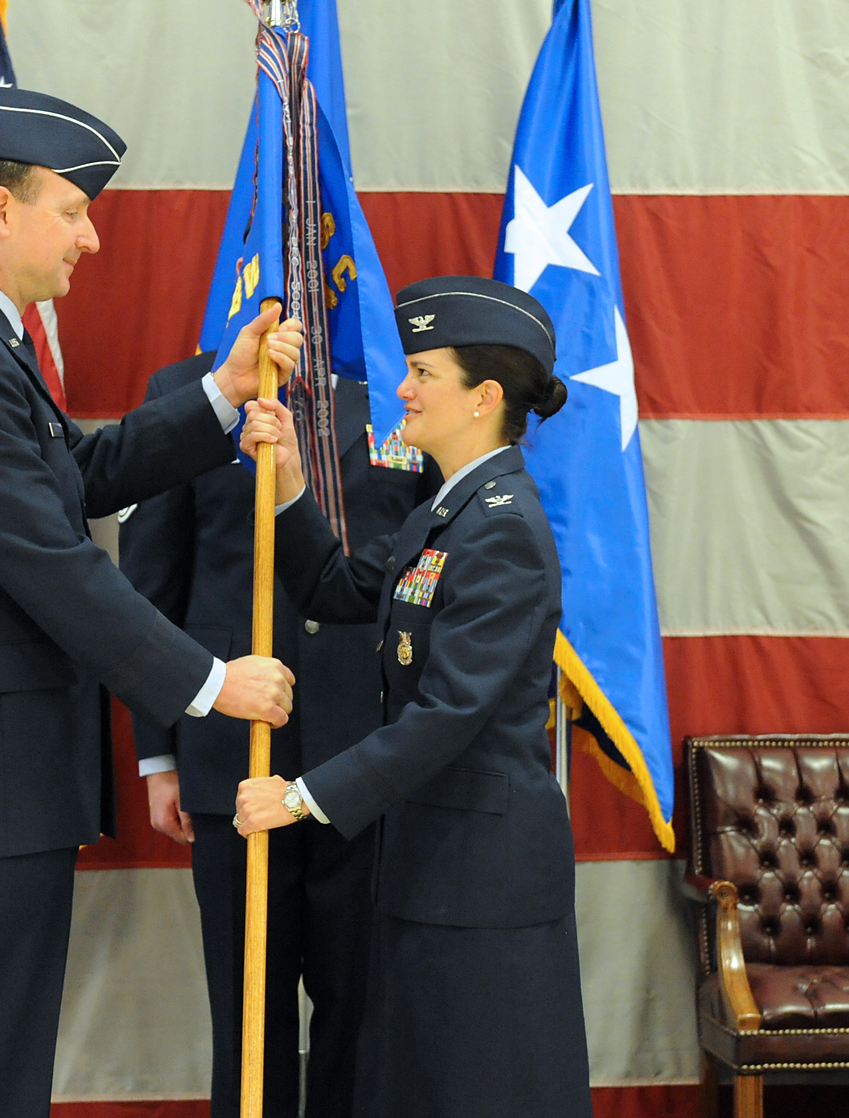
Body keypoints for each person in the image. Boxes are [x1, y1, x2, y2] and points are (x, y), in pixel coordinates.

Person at [0, 82, 302, 1118]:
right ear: (0, 209)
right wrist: (209, 682)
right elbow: (52, 562)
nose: (90, 238)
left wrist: (222, 393)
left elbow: (74, 476)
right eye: (74, 211)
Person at [233, 276, 593, 1118]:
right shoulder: (447, 510)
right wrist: (290, 482)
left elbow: (449, 715)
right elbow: (337, 589)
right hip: (428, 867)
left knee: (479, 1093)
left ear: (484, 398)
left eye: (424, 373)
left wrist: (301, 797)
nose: (403, 389)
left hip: (483, 883)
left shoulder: (501, 527)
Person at [121, 356, 435, 1118]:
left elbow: (426, 565)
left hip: (368, 751)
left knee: (357, 1007)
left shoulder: (405, 383)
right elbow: (150, 584)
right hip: (232, 747)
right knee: (246, 1011)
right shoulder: (190, 390)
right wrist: (159, 753)